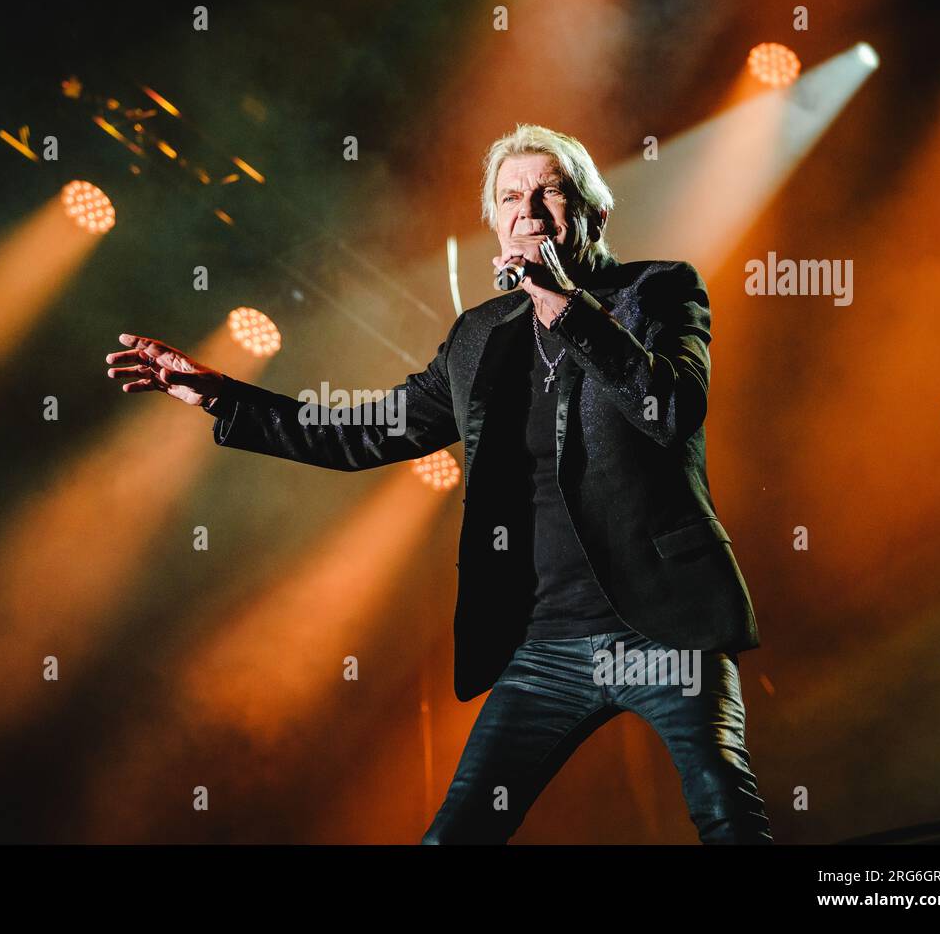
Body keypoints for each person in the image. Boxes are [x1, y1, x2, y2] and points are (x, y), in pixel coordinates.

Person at [104, 123, 772, 844]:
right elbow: (359, 434)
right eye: (510, 196)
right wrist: (222, 396)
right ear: (493, 221)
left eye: (549, 191)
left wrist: (563, 304)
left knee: (726, 815)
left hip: (663, 627)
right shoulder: (479, 335)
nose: (529, 210)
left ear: (593, 212)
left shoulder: (659, 291)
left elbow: (668, 410)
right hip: (543, 648)